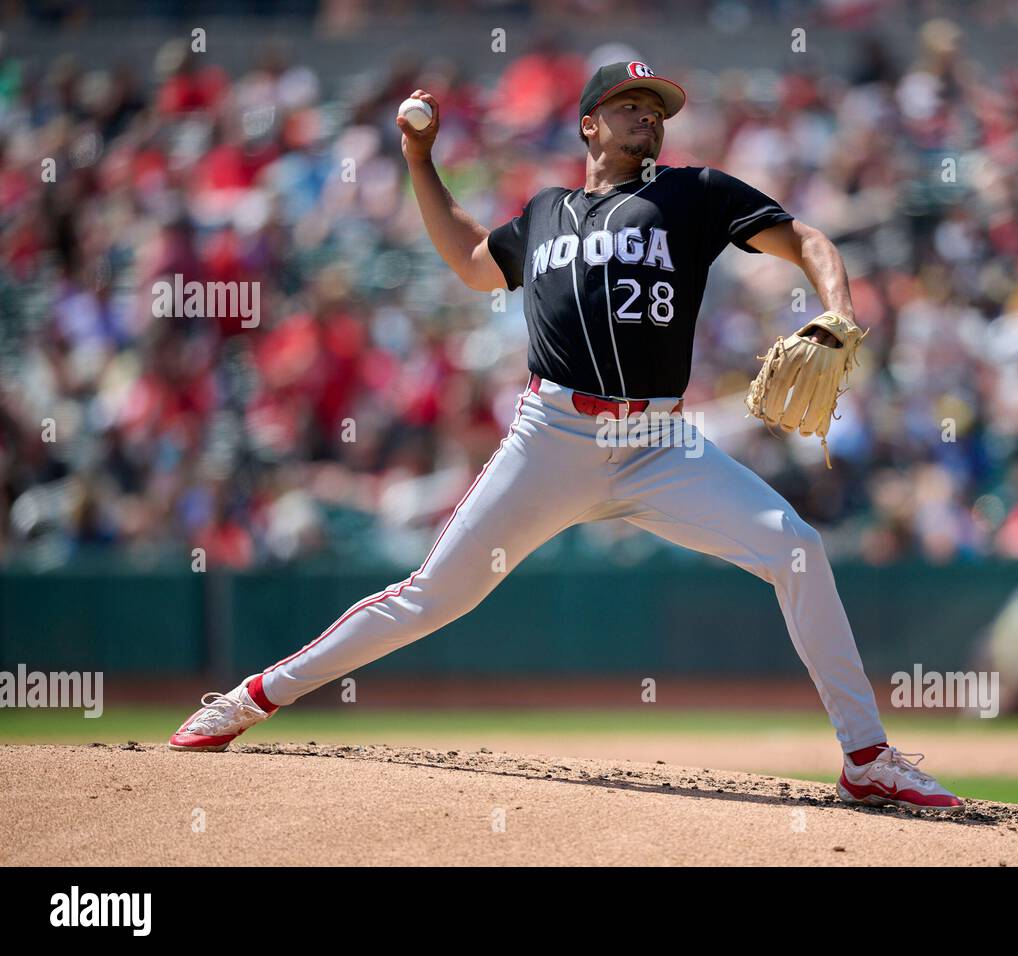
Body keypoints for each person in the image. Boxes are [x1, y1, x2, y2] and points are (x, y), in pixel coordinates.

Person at [169, 61, 962, 811]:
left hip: (660, 442)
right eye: (629, 106)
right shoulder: (545, 212)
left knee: (797, 547)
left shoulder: (695, 196)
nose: (647, 117)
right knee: (430, 598)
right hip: (552, 436)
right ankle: (252, 697)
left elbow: (810, 242)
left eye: (655, 110)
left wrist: (838, 310)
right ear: (589, 125)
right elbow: (475, 265)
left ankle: (866, 760)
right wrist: (419, 160)